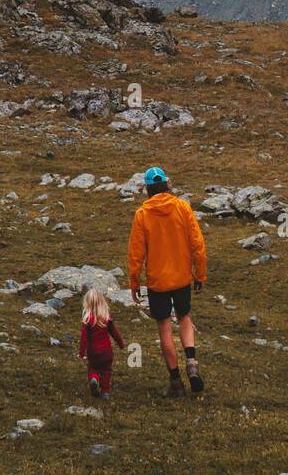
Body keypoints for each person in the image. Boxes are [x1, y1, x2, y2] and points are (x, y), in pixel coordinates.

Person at [127, 165, 208, 398]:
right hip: (182, 277)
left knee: (164, 326)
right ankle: (191, 361)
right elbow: (198, 244)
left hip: (157, 282)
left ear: (148, 188)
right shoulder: (182, 207)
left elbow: (136, 254)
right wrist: (199, 274)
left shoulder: (142, 214)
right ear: (166, 184)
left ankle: (175, 382)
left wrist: (134, 283)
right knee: (184, 317)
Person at [78, 286, 125, 400]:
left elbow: (84, 338)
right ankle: (105, 392)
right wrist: (121, 344)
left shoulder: (88, 320)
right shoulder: (106, 318)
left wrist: (81, 352)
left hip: (93, 352)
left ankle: (94, 378)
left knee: (92, 368)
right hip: (107, 352)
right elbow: (115, 333)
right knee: (106, 370)